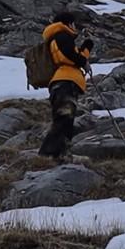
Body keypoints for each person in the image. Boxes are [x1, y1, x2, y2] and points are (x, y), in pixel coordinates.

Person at [38, 12, 95, 160]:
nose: (75, 27)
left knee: (66, 119)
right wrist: (83, 63)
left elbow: (76, 56)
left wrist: (88, 43)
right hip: (66, 81)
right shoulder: (62, 35)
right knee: (63, 119)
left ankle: (61, 153)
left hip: (62, 81)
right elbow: (69, 55)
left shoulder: (57, 37)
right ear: (69, 23)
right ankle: (47, 154)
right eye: (73, 24)